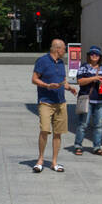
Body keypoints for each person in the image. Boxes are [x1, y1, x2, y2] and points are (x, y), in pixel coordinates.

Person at [31, 38, 77, 173]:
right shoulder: (42, 61)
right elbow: (34, 79)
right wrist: (47, 85)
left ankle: (54, 162)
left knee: (58, 133)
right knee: (44, 130)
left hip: (60, 103)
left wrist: (69, 88)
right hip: (45, 102)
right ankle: (40, 160)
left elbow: (63, 82)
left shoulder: (61, 62)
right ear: (58, 49)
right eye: (64, 49)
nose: (65, 51)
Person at [73, 46, 102, 155]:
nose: (94, 56)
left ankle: (97, 147)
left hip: (100, 100)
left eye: (97, 54)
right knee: (83, 124)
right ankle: (78, 146)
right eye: (92, 54)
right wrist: (94, 78)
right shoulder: (84, 67)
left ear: (100, 57)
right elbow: (80, 81)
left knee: (98, 125)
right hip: (87, 99)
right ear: (89, 56)